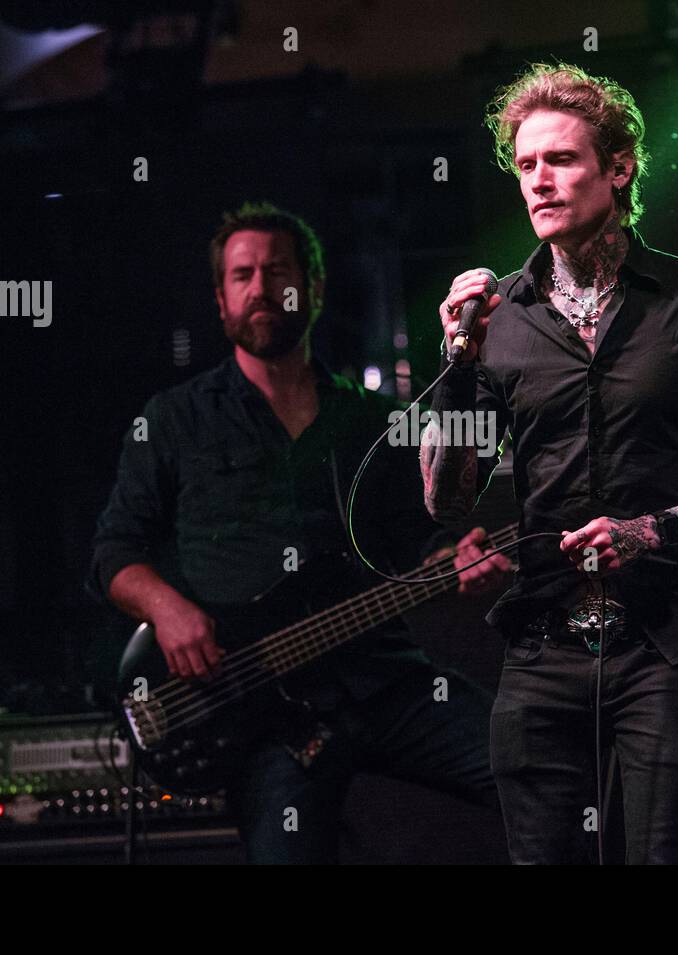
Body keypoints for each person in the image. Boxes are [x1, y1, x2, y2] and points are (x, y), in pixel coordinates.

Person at [421, 63, 678, 864]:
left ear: (618, 167)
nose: (540, 182)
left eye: (562, 160)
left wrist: (651, 531)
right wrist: (455, 363)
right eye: (526, 166)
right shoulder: (499, 321)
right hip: (541, 646)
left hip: (662, 642)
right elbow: (448, 501)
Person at [89, 201, 510, 863]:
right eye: (241, 274)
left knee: (533, 763)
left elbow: (408, 541)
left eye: (277, 270)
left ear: (313, 288)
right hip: (263, 712)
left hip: (382, 678)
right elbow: (116, 551)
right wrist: (167, 610)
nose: (259, 287)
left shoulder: (374, 419)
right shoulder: (174, 419)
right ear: (221, 299)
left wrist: (450, 560)